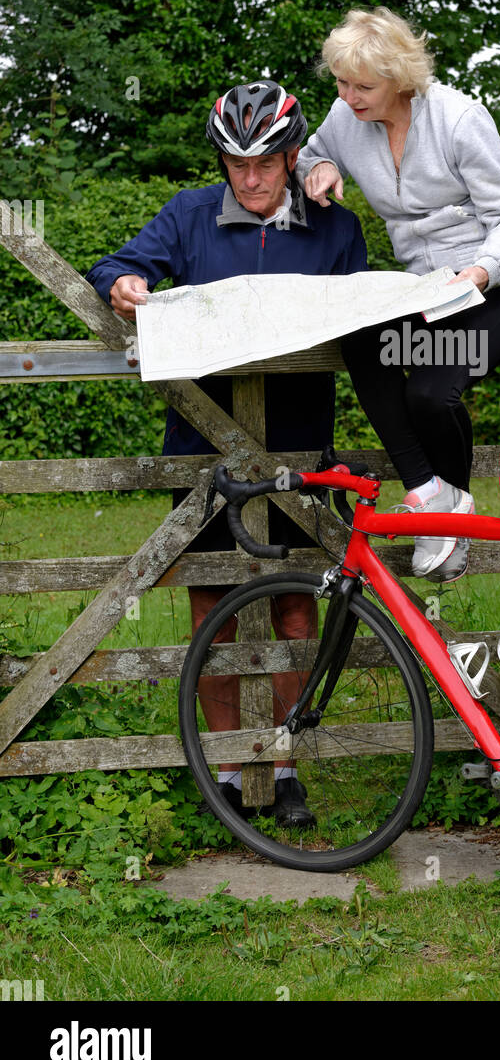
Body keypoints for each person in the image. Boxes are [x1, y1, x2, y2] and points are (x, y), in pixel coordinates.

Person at [84, 80, 367, 824]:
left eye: (265, 163)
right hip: (203, 447)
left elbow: (363, 318)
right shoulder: (188, 214)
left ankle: (284, 761)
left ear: (292, 154)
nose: (249, 179)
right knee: (209, 606)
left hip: (299, 446)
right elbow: (113, 266)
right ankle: (233, 772)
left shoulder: (334, 227)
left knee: (295, 613)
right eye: (235, 164)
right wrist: (126, 284)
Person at [295, 8, 500, 582]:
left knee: (433, 393)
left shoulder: (459, 119)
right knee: (361, 342)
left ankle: (451, 513)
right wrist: (324, 165)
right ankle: (426, 489)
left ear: (400, 78)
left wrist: (481, 272)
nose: (349, 95)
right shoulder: (344, 115)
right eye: (340, 82)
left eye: (363, 85)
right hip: (429, 286)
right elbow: (308, 152)